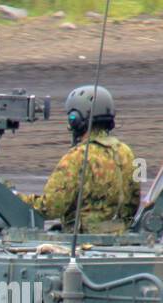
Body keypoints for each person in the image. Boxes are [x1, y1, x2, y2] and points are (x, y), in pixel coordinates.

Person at [20, 84, 140, 233]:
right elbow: (134, 201)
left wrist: (15, 199)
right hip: (120, 235)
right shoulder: (127, 153)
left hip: (82, 239)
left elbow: (50, 208)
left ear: (75, 119)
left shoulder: (77, 157)